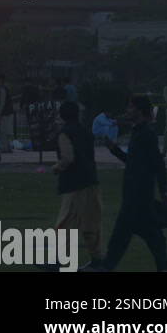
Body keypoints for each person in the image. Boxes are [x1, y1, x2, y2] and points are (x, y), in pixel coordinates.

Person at [91, 96, 167, 272]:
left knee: (123, 236)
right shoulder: (139, 133)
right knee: (152, 236)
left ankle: (106, 266)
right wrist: (115, 150)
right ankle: (164, 268)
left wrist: (164, 192)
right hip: (137, 197)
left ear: (139, 111)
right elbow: (133, 162)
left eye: (130, 107)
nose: (127, 110)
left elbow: (158, 165)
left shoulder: (146, 135)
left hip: (138, 197)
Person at [53, 101, 103, 269]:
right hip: (91, 181)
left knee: (65, 223)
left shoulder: (64, 133)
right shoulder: (86, 132)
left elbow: (67, 158)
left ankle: (61, 260)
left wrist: (57, 167)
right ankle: (97, 260)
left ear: (62, 115)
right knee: (90, 224)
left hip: (74, 184)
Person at [0, 74, 15, 153]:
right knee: (6, 131)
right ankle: (8, 147)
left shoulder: (2, 89)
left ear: (0, 80)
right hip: (8, 112)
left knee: (3, 131)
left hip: (4, 113)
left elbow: (2, 102)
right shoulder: (5, 88)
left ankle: (4, 148)